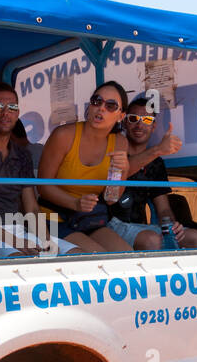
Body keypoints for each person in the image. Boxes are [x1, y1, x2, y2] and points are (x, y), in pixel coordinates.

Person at [0, 82, 74, 256]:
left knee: (78, 255)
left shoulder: (22, 155)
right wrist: (16, 242)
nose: (6, 113)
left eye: (12, 107)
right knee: (25, 264)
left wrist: (47, 241)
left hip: (20, 230)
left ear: (18, 113)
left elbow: (32, 208)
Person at [36, 80, 133, 253]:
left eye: (111, 105)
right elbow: (43, 186)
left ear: (121, 116)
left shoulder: (120, 142)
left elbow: (111, 198)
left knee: (125, 255)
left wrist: (123, 170)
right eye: (97, 101)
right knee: (97, 256)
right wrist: (75, 203)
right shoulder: (64, 135)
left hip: (88, 219)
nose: (101, 108)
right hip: (52, 217)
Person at [107, 96, 197, 250]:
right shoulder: (114, 151)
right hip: (112, 224)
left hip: (140, 228)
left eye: (147, 120)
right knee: (152, 240)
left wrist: (172, 225)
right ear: (125, 123)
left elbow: (163, 208)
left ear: (153, 126)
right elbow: (118, 179)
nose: (139, 125)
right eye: (133, 118)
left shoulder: (156, 163)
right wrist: (158, 149)